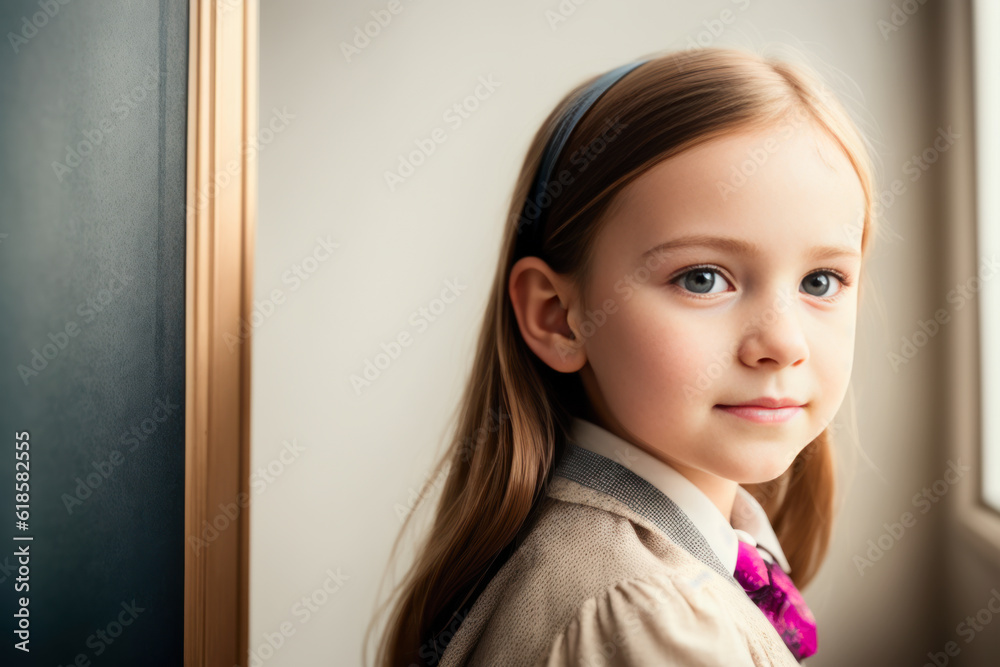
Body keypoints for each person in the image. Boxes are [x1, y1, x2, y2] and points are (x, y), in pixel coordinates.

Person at [366, 45, 878, 666]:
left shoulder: (607, 564)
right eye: (702, 279)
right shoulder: (652, 622)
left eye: (821, 281)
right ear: (558, 317)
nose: (784, 344)